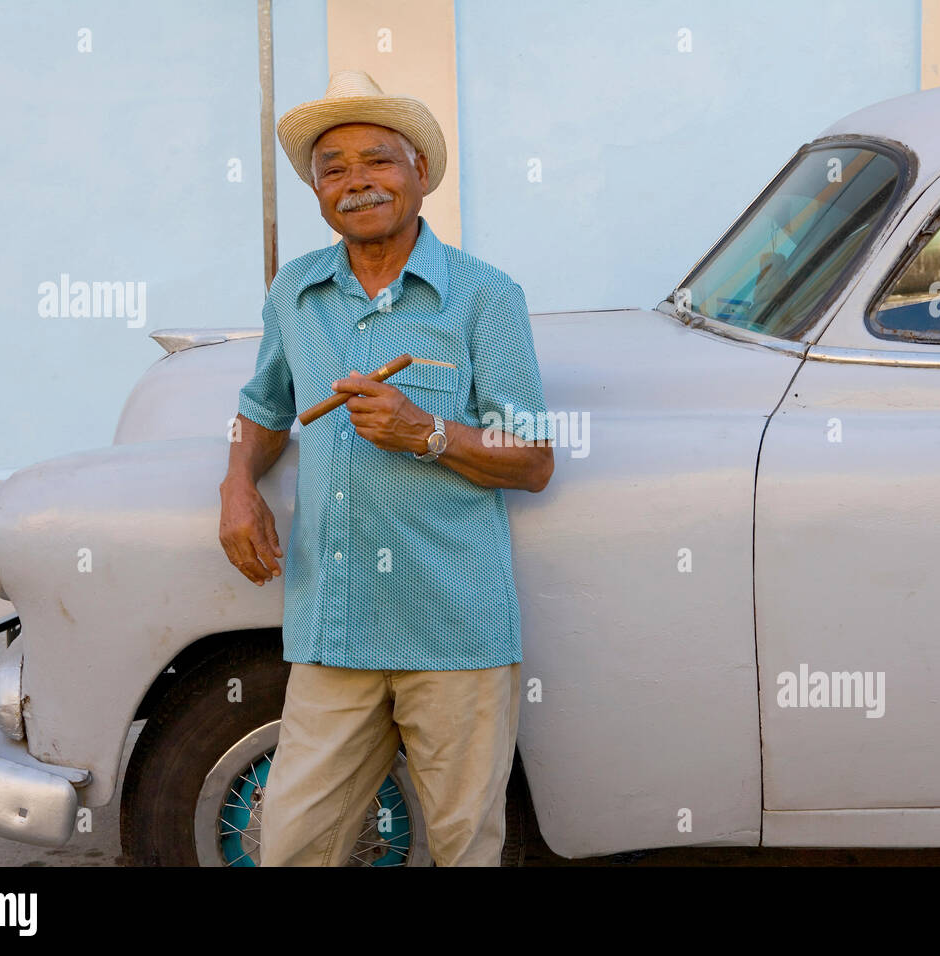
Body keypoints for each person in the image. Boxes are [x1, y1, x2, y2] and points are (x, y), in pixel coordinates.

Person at [218, 70, 554, 866]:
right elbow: (263, 410)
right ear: (316, 190)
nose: (356, 181)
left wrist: (427, 431)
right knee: (293, 844)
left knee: (462, 848)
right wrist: (237, 486)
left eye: (379, 160)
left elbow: (534, 460)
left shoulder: (482, 296)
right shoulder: (296, 291)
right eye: (333, 168)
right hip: (334, 625)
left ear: (420, 174)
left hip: (453, 629)